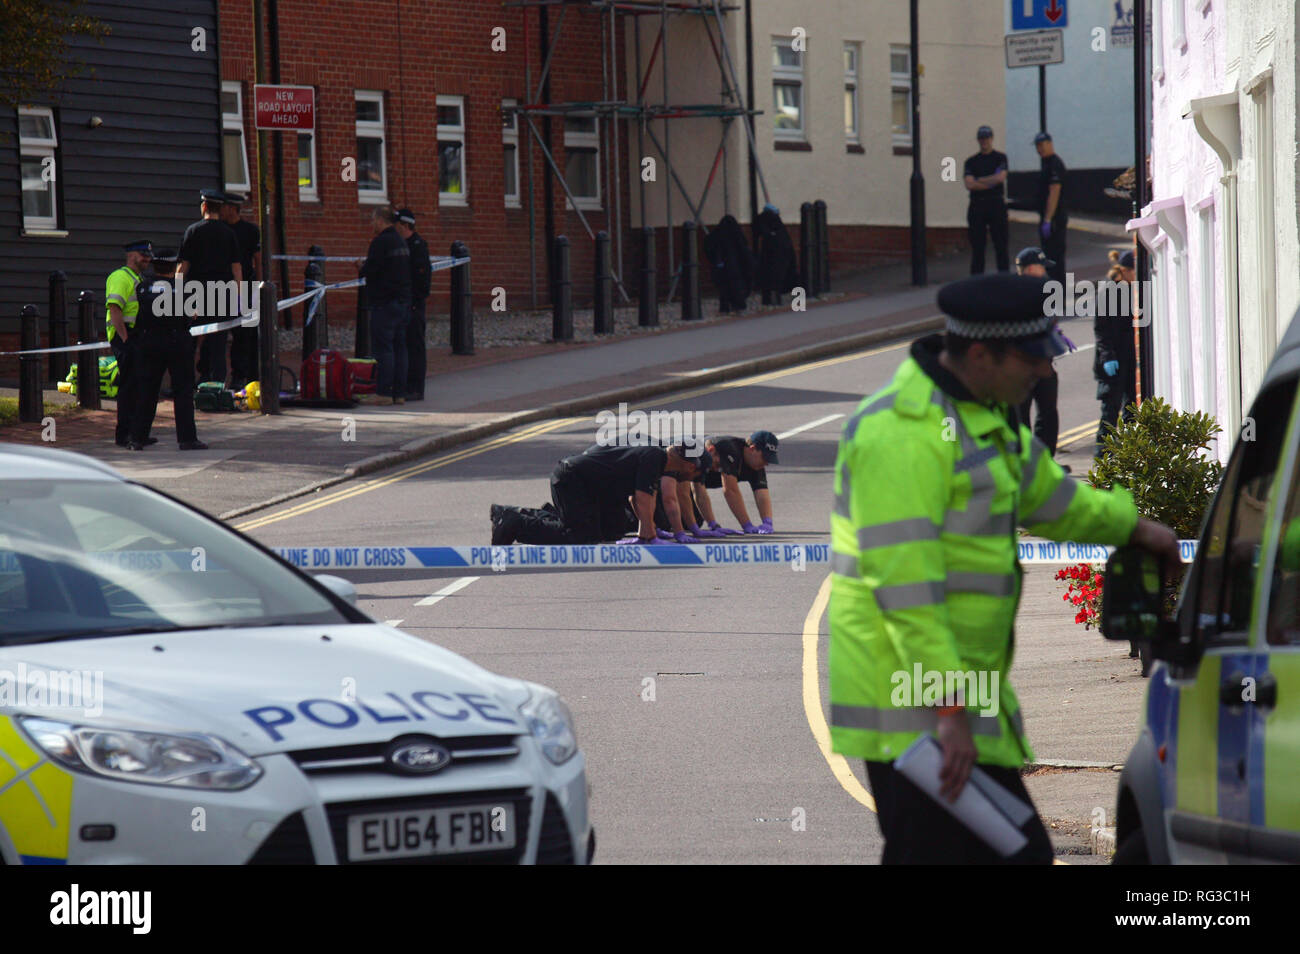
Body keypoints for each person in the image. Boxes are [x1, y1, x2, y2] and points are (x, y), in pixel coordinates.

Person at [828, 272, 1181, 864]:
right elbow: (905, 586)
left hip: (958, 704)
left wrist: (1137, 528)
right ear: (979, 355)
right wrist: (948, 708)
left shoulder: (984, 417)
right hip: (912, 712)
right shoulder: (901, 435)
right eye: (1034, 357)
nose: (1045, 372)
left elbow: (1050, 499)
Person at [489, 444, 710, 545]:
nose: (692, 477)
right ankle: (514, 522)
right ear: (689, 465)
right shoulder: (654, 457)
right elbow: (642, 498)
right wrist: (650, 536)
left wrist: (647, 534)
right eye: (695, 472)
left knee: (610, 532)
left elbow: (638, 497)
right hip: (573, 479)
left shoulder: (657, 460)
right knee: (579, 536)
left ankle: (522, 514)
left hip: (591, 487)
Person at [129, 248, 206, 451]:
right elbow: (193, 315)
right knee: (182, 391)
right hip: (177, 342)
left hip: (150, 342)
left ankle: (137, 437)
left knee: (147, 390)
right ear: (174, 267)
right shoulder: (186, 288)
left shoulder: (143, 287)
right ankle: (187, 439)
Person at [177, 189, 242, 386]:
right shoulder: (229, 234)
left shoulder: (193, 231)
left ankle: (185, 384)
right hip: (222, 294)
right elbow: (236, 269)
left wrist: (178, 294)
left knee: (189, 341)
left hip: (196, 293)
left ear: (204, 206)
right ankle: (217, 386)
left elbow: (182, 267)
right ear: (220, 209)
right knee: (218, 343)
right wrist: (238, 298)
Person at [357, 206, 412, 405]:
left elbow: (371, 270)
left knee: (384, 349)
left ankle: (384, 393)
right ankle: (400, 393)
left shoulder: (380, 242)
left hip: (385, 303)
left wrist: (361, 268)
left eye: (373, 220)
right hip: (403, 302)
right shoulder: (401, 242)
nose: (372, 224)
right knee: (400, 348)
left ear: (380, 220)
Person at [1014, 247, 1062, 459]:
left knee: (1048, 415)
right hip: (1021, 367)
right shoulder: (1013, 293)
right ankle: (1026, 463)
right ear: (1032, 268)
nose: (1045, 272)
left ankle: (1044, 463)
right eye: (1042, 267)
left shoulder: (1044, 290)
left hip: (1043, 364)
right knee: (1021, 417)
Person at [105, 240, 153, 447]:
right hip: (125, 336)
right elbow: (115, 309)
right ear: (132, 255)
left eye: (149, 255)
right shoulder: (120, 277)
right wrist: (124, 337)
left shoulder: (137, 278)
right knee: (129, 388)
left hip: (135, 336)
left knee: (139, 387)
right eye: (143, 255)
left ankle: (136, 433)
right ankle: (124, 434)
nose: (147, 259)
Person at [688, 431, 780, 535]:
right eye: (765, 458)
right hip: (673, 478)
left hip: (692, 486)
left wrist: (767, 522)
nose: (766, 463)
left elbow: (762, 493)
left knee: (693, 521)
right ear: (752, 449)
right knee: (670, 519)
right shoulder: (728, 448)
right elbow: (730, 491)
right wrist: (746, 525)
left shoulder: (757, 463)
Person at [1096, 249, 1139, 455]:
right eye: (1134, 271)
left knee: (1132, 410)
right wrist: (1108, 357)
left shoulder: (1132, 289)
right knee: (1110, 414)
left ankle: (1129, 457)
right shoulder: (1109, 292)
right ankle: (1103, 461)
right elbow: (1101, 330)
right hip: (1112, 361)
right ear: (1124, 270)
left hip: (1130, 360)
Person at [219, 191, 261, 390]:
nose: (221, 210)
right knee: (216, 333)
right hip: (222, 286)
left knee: (245, 335)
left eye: (224, 207)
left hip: (246, 286)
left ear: (232, 209)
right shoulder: (219, 229)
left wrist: (260, 284)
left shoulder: (250, 231)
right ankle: (212, 376)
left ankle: (243, 376)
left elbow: (257, 258)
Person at [395, 208, 431, 401]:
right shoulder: (404, 244)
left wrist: (416, 302)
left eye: (397, 224)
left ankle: (416, 388)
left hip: (414, 304)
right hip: (404, 303)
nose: (395, 228)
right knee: (405, 344)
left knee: (415, 346)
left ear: (406, 225)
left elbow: (423, 278)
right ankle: (406, 384)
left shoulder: (418, 246)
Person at [963, 126, 1010, 274]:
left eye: (987, 137)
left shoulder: (1000, 158)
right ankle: (976, 281)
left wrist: (979, 180)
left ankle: (1004, 279)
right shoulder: (971, 161)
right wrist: (990, 181)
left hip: (996, 204)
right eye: (982, 138)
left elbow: (1000, 178)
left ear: (992, 138)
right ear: (978, 140)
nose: (984, 141)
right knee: (978, 247)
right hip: (977, 205)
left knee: (1001, 245)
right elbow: (969, 184)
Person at [1032, 132, 1068, 283]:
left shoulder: (1054, 164)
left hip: (1054, 219)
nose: (1039, 149)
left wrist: (1048, 219)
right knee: (1049, 257)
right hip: (1049, 217)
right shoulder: (1046, 163)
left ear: (1049, 144)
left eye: (1041, 145)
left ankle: (1057, 293)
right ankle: (1054, 292)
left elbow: (1054, 192)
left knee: (1054, 258)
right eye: (1037, 146)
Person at [754, 205, 799, 306]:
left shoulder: (765, 222)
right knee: (778, 277)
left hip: (770, 255)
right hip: (781, 255)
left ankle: (770, 300)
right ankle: (776, 299)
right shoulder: (778, 227)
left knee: (769, 278)